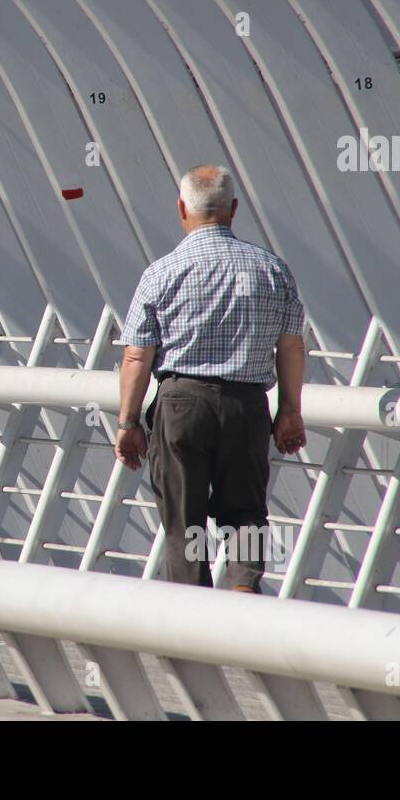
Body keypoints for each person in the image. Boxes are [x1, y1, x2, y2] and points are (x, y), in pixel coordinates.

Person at [114, 164, 306, 593]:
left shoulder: (160, 273)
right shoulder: (273, 270)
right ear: (234, 209)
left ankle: (192, 614)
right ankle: (242, 591)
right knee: (246, 512)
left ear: (183, 209)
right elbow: (291, 347)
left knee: (185, 517)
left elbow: (136, 355)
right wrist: (290, 411)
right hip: (247, 404)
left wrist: (128, 423)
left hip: (181, 402)